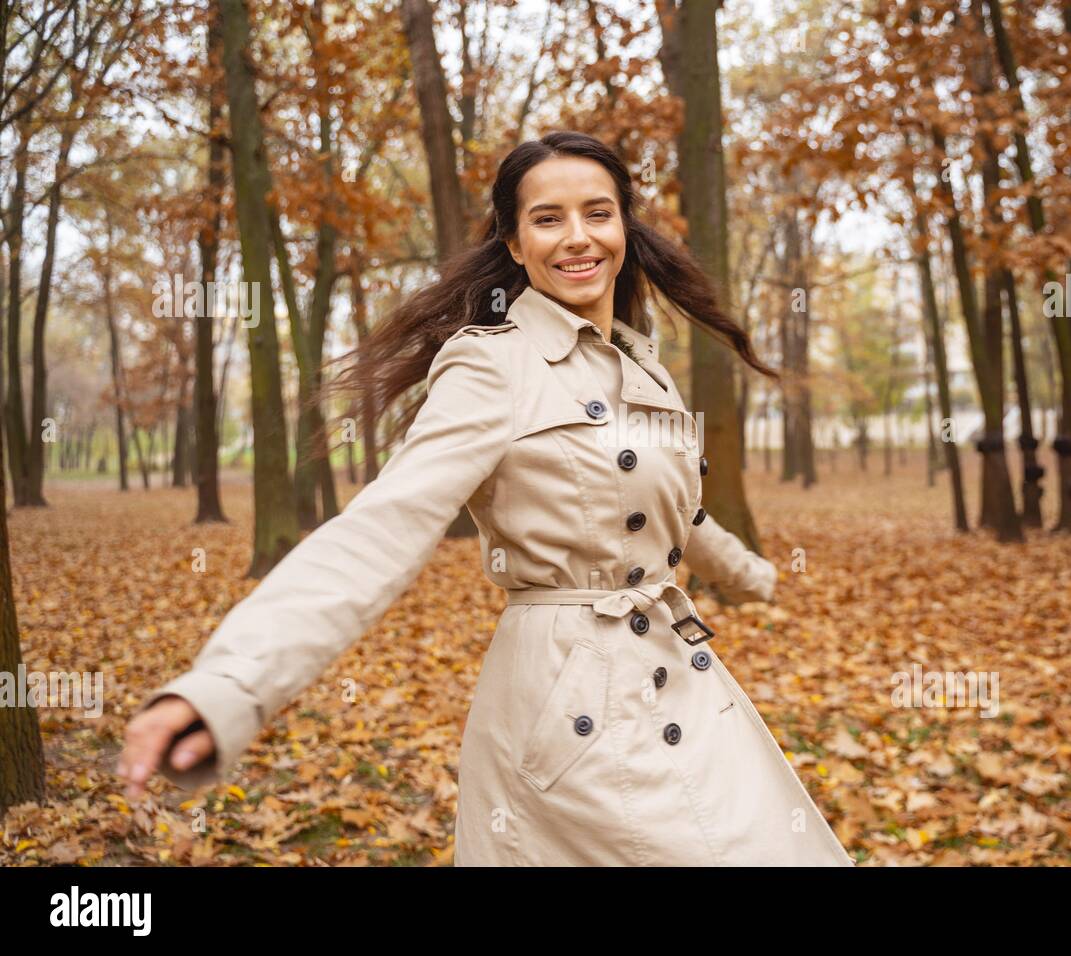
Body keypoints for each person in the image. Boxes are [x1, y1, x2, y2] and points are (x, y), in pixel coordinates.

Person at [119, 130, 855, 866]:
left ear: (624, 226)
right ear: (512, 239)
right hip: (574, 710)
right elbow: (384, 528)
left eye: (598, 214)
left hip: (680, 680)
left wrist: (753, 576)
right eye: (547, 218)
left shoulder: (643, 366)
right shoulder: (489, 364)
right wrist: (227, 686)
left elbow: (674, 516)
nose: (578, 238)